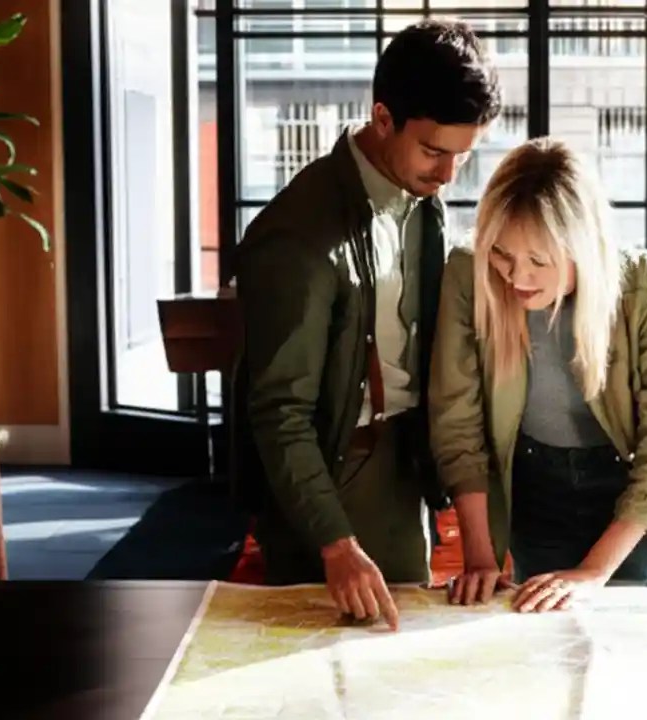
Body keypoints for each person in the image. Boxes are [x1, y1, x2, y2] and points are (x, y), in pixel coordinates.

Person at [232, 18, 502, 631]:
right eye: (434, 151)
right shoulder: (297, 236)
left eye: (464, 155)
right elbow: (279, 411)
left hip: (402, 465)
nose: (448, 175)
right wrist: (334, 542)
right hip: (331, 473)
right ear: (383, 118)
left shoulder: (421, 197)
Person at [428, 137, 647, 613]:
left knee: (623, 647)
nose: (516, 278)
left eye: (538, 261)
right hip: (535, 492)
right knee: (545, 646)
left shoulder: (646, 288)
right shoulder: (468, 275)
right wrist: (479, 554)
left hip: (633, 500)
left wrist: (593, 574)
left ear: (583, 248)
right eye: (502, 254)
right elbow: (457, 421)